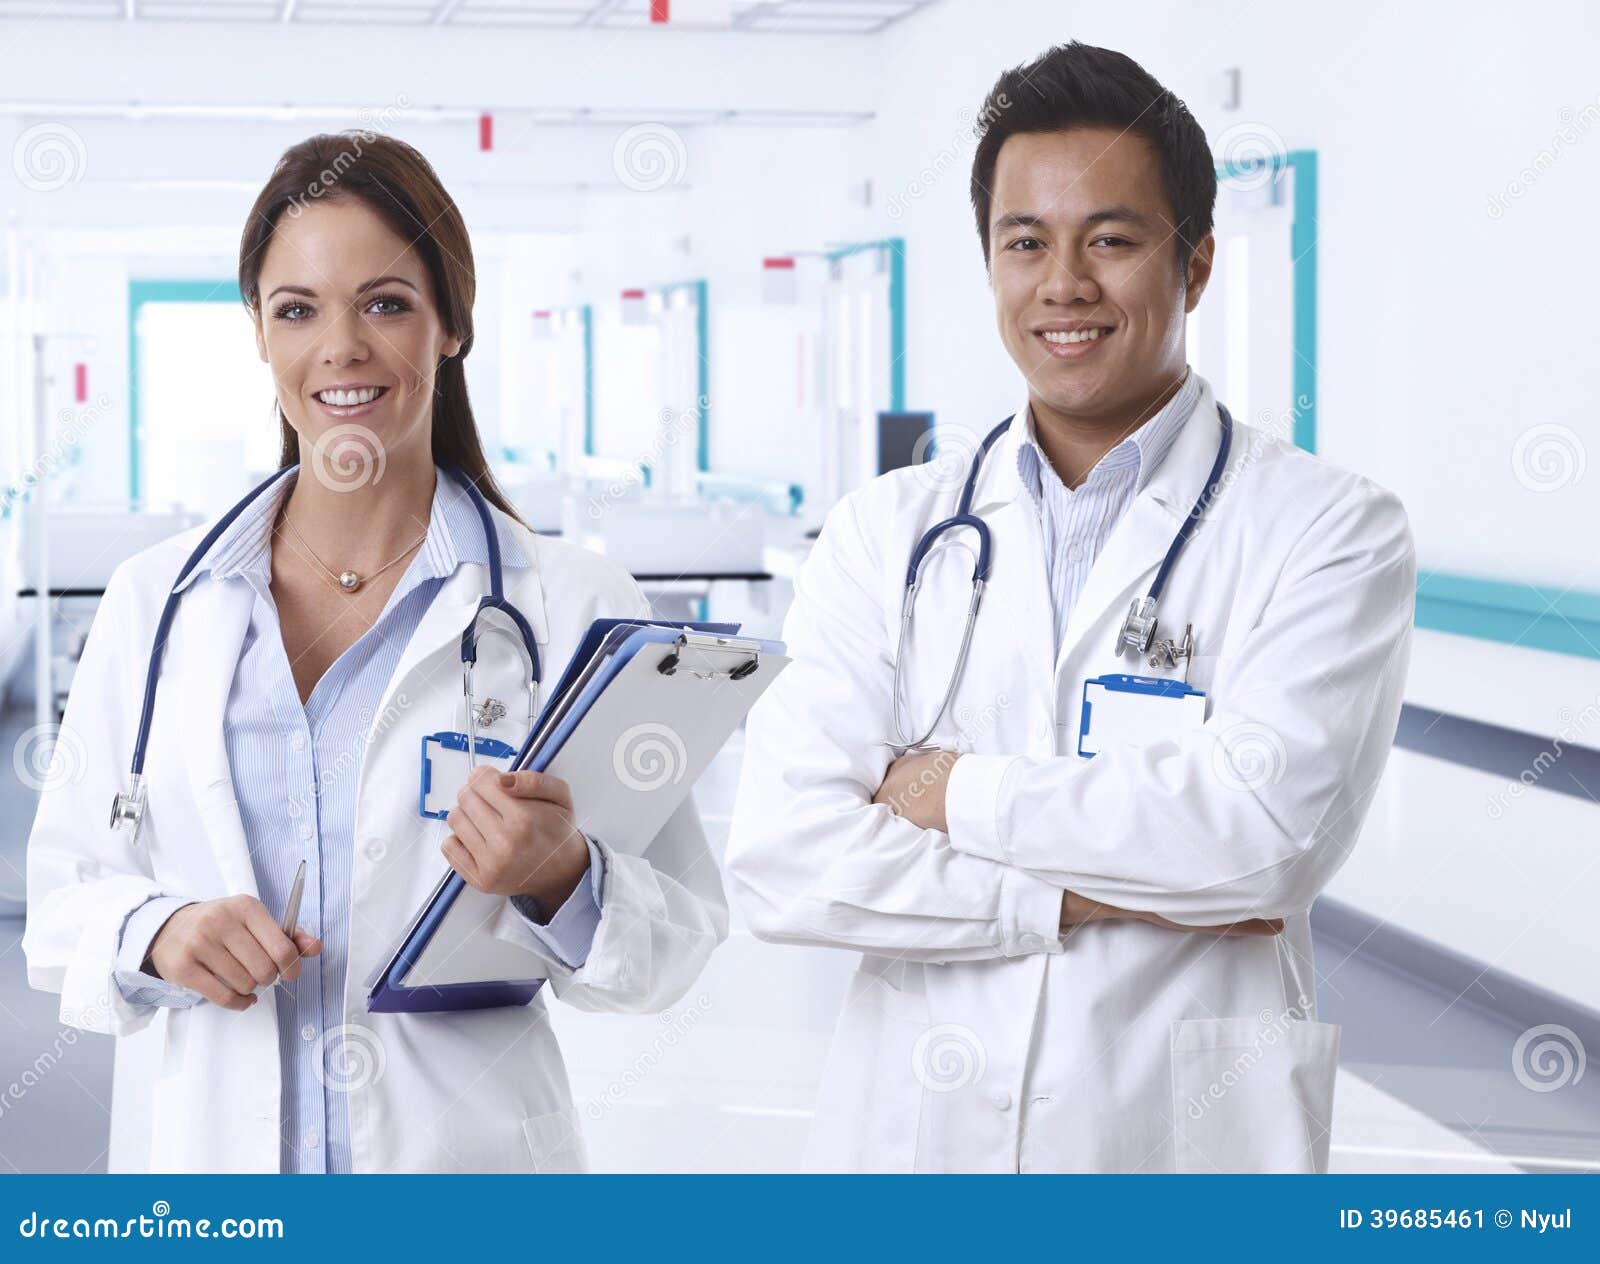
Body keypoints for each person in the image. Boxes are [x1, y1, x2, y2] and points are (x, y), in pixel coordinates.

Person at [725, 42, 1415, 1173]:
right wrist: (1093, 894)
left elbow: (1262, 841)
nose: (1064, 285)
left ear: (1192, 265)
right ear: (990, 262)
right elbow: (786, 858)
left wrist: (950, 788)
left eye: (1111, 238)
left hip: (1179, 1149)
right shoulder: (887, 533)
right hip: (917, 1144)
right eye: (1025, 242)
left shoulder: (1327, 528)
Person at [24, 132, 727, 1174]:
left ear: (451, 328)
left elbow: (673, 943)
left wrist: (563, 878)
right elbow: (63, 900)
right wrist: (156, 931)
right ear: (260, 334)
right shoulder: (158, 602)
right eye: (297, 309)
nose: (340, 347)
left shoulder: (573, 607)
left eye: (386, 302)